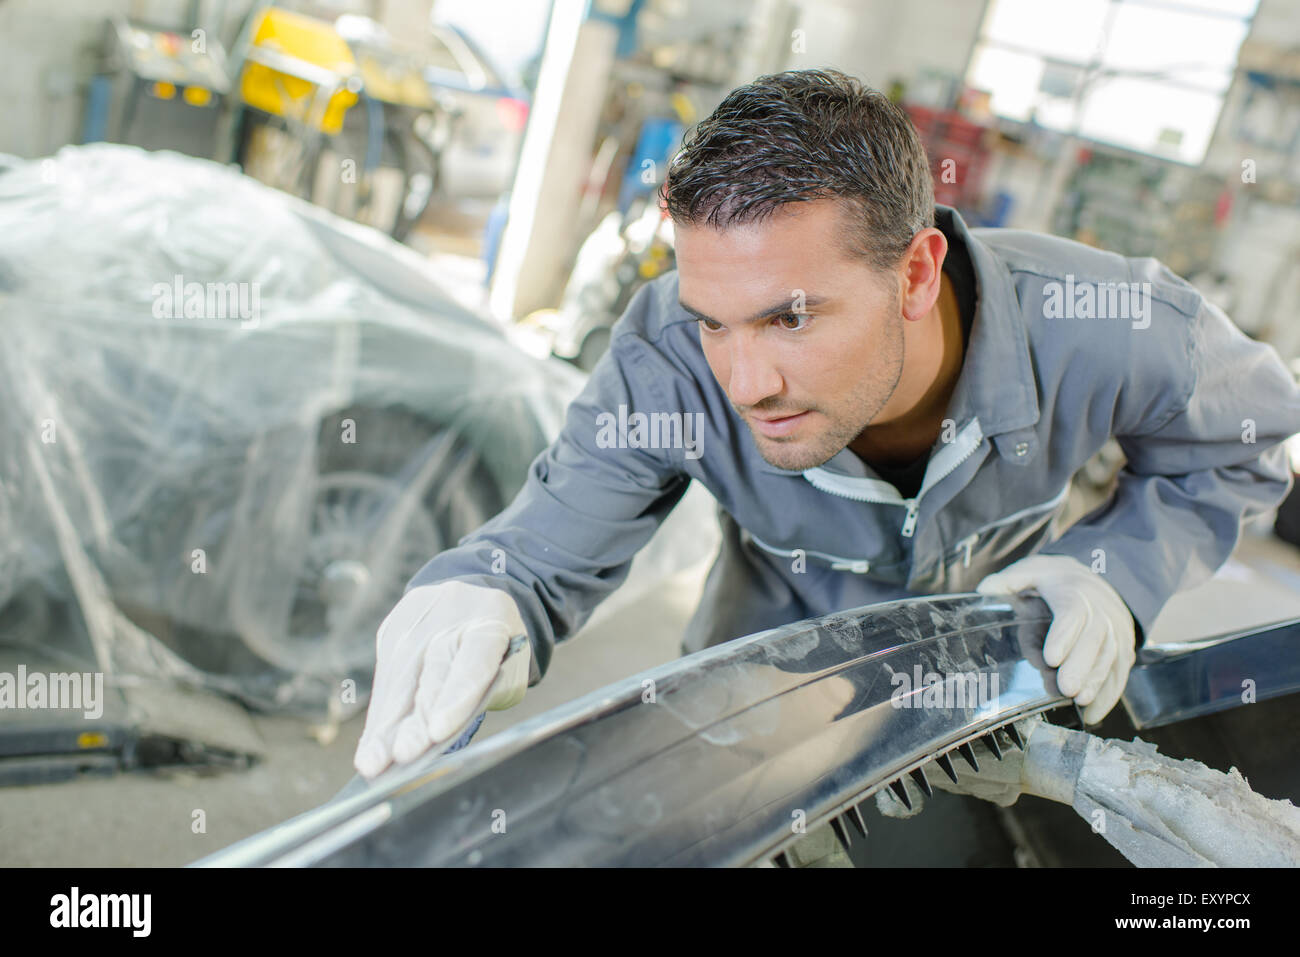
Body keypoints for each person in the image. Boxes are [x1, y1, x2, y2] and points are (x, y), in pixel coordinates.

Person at [352, 71, 1300, 817]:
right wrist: (486, 589)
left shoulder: (1112, 323)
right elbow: (546, 541)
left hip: (988, 696)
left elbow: (1246, 441)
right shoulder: (667, 358)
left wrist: (1111, 569)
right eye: (714, 322)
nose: (743, 381)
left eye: (791, 318)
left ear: (918, 273)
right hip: (749, 714)